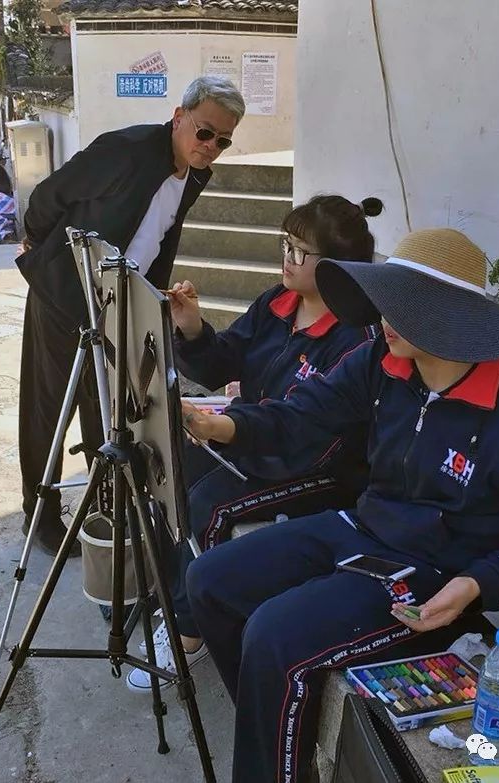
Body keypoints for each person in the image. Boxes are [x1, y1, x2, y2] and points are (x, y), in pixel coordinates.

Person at [182, 228, 499, 783]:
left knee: (274, 634)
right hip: (362, 528)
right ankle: (272, 735)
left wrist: (476, 585)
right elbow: (301, 414)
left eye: (403, 306)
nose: (382, 318)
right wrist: (216, 424)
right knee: (210, 579)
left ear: (447, 316)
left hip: (435, 575)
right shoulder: (382, 361)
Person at [126, 194, 384, 693]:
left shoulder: (355, 337)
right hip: (251, 439)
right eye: (285, 245)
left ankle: (190, 631)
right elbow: (222, 363)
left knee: (209, 505)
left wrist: (231, 428)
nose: (286, 258)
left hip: (313, 465)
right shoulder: (277, 302)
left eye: (299, 252)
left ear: (337, 266)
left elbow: (309, 426)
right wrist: (192, 326)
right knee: (163, 464)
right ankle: (171, 592)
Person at [15, 75, 245, 556]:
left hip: (120, 301)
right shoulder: (127, 149)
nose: (211, 147)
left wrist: (151, 293)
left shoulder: (196, 174)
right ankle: (38, 515)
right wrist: (42, 247)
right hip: (63, 293)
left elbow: (159, 232)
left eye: (223, 140)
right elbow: (48, 197)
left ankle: (110, 509)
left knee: (110, 406)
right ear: (179, 117)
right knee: (51, 406)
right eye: (205, 132)